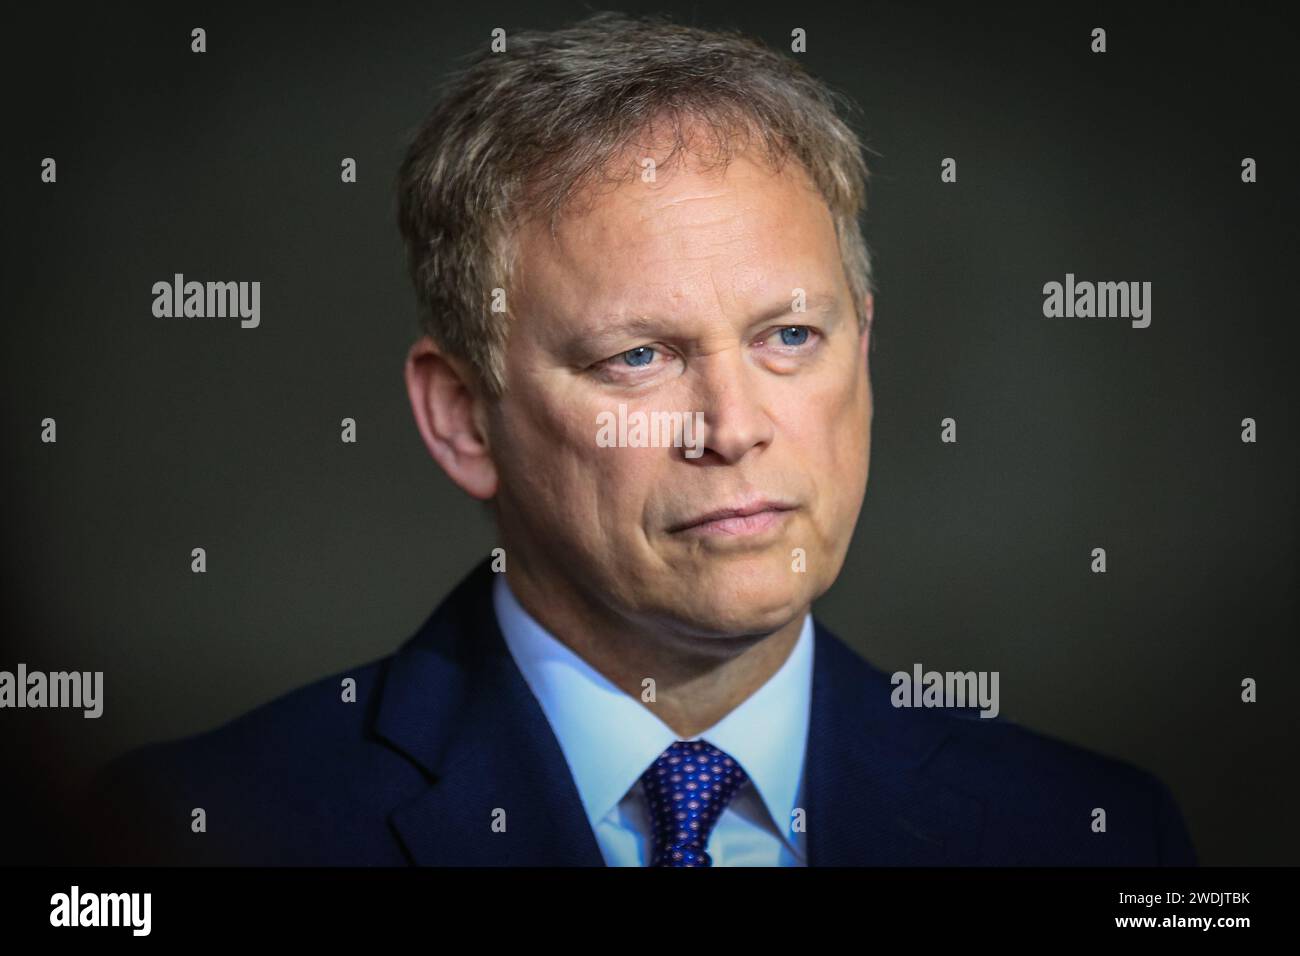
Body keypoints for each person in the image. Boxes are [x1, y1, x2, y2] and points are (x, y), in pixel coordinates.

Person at [84, 11, 1195, 867]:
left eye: (790, 334)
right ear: (464, 417)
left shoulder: (1090, 831)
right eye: (638, 356)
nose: (738, 426)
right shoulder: (199, 832)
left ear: (864, 349)